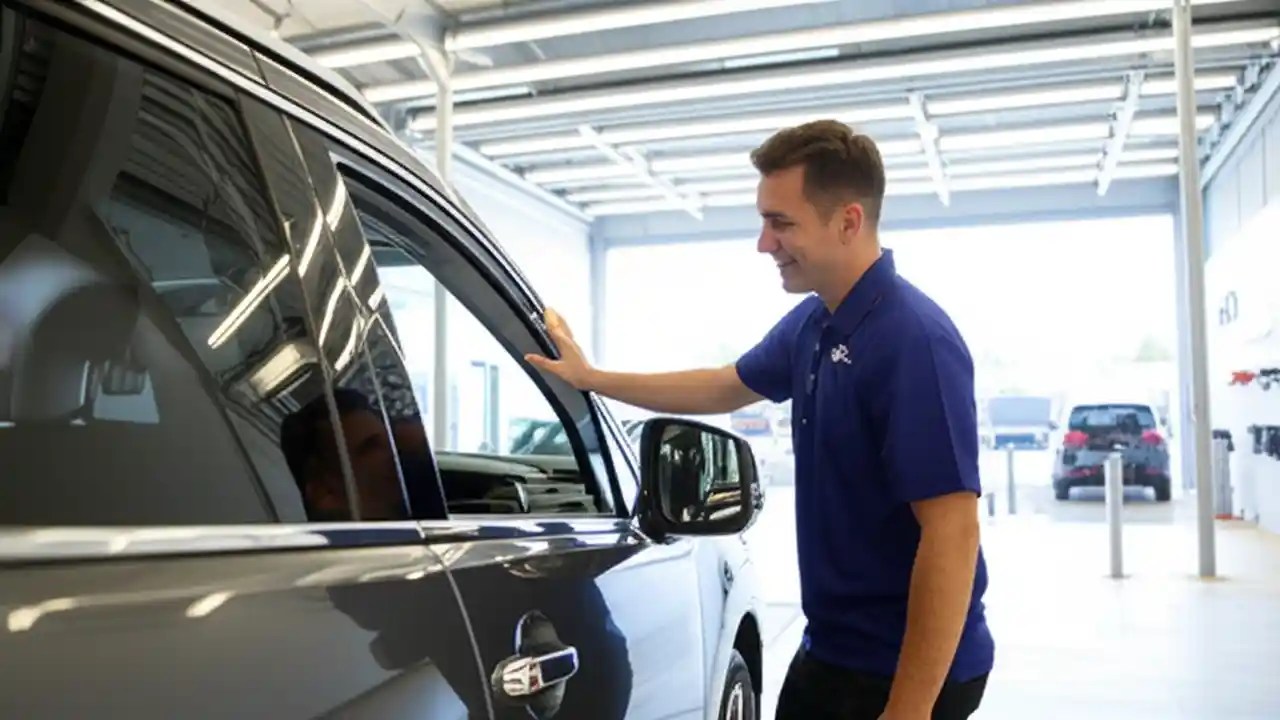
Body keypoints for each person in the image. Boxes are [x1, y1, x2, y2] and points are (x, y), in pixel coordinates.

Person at [526, 119, 993, 720]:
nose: (763, 244)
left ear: (848, 221)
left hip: (901, 670)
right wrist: (594, 380)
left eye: (781, 223)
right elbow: (727, 383)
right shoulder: (817, 323)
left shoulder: (913, 341)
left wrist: (909, 709)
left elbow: (953, 535)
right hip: (834, 649)